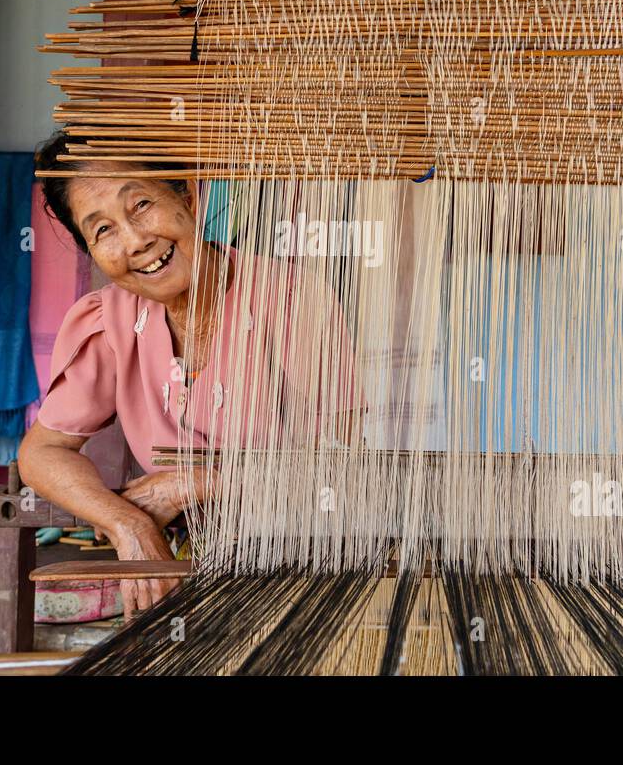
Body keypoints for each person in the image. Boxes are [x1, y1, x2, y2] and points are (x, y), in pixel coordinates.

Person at [18, 133, 364, 616]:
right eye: (103, 231)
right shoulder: (108, 321)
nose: (136, 241)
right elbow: (42, 453)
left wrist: (195, 484)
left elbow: (346, 462)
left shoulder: (289, 298)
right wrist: (128, 526)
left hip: (305, 552)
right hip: (187, 557)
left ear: (188, 196)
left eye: (140, 204)